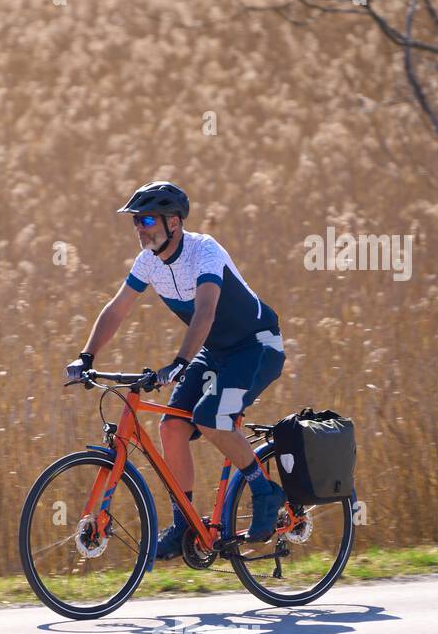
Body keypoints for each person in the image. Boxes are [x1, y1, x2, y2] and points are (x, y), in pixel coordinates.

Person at [67, 181, 287, 557]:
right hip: (216, 350)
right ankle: (186, 524)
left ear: (174, 221)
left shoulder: (204, 251)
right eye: (136, 221)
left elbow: (206, 312)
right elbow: (117, 309)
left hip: (257, 347)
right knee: (171, 426)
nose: (140, 227)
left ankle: (265, 491)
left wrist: (180, 362)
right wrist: (86, 356)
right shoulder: (148, 262)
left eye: (148, 219)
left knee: (209, 418)